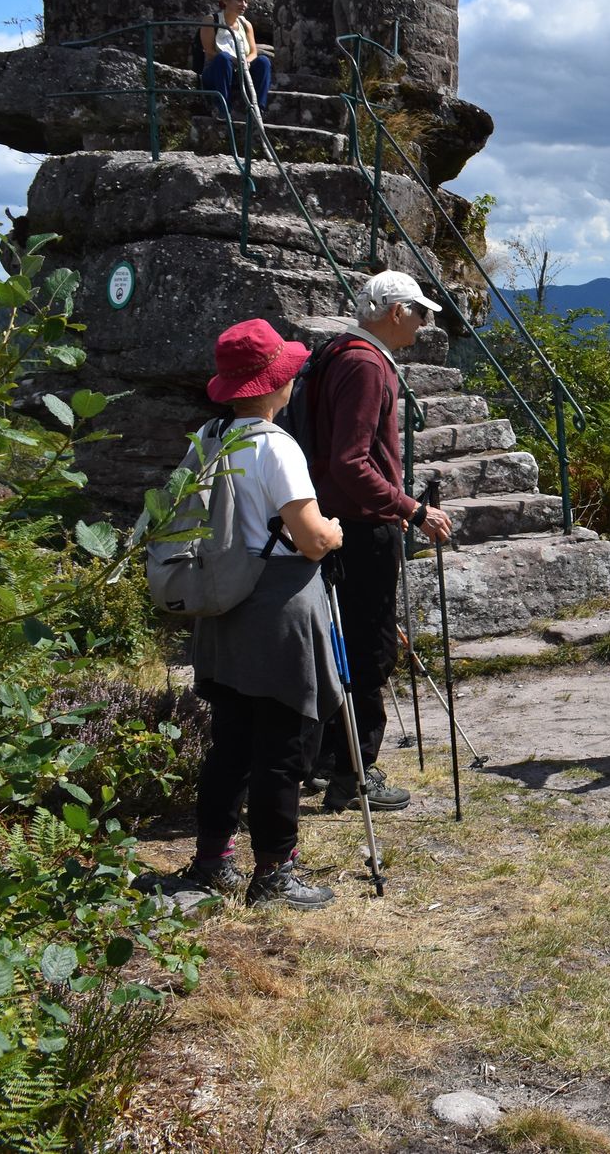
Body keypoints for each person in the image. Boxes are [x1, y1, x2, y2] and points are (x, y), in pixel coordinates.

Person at [185, 319, 345, 909]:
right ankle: (275, 872)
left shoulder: (207, 438)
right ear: (276, 383)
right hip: (277, 605)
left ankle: (213, 860)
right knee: (281, 742)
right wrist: (334, 532)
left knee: (230, 740)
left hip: (223, 602)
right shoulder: (276, 447)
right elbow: (310, 539)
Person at [305, 270, 452, 812]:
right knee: (371, 651)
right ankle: (355, 773)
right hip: (362, 531)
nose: (424, 322)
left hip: (335, 522)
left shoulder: (338, 353)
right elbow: (352, 462)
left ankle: (325, 760)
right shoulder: (368, 365)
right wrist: (411, 508)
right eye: (420, 312)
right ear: (395, 312)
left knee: (339, 646)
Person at [198, 0, 273, 114]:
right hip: (217, 71)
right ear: (226, 0)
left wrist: (246, 61)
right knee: (223, 58)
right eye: (239, 0)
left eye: (245, 1)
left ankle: (259, 108)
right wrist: (232, 60)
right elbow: (209, 51)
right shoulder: (211, 20)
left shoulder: (246, 24)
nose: (243, 4)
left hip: (240, 71)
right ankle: (223, 109)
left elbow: (253, 52)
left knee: (263, 61)